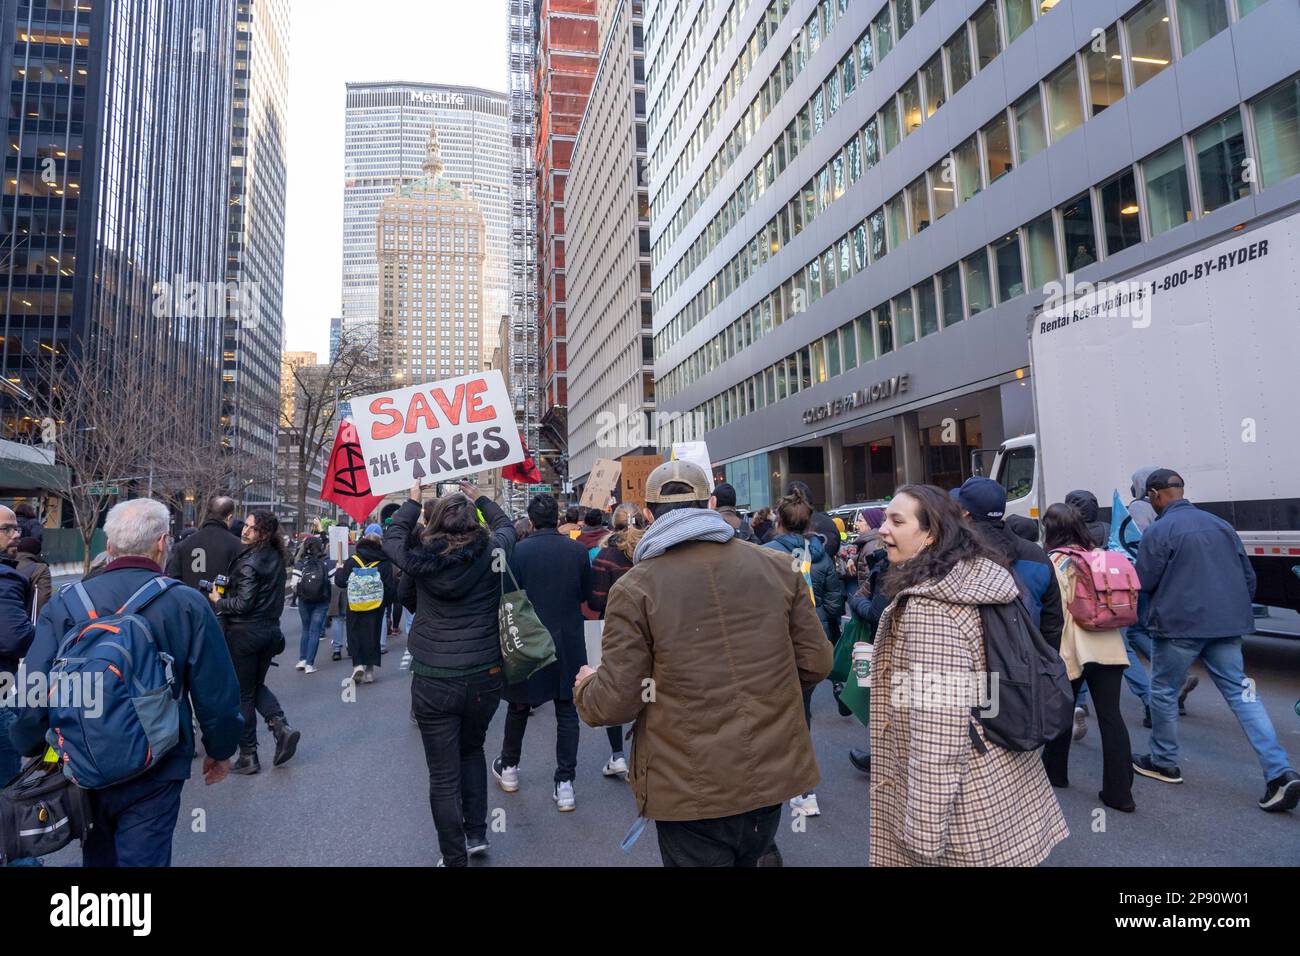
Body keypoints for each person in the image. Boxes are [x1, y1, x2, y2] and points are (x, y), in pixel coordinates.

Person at [574, 460, 832, 867]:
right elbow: (817, 662)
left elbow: (616, 702)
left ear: (646, 513)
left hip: (688, 788)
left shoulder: (636, 588)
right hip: (769, 773)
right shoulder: (778, 568)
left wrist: (586, 684)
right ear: (710, 503)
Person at [10, 498, 242, 867]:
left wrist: (31, 742)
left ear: (109, 544)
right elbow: (216, 691)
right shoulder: (186, 603)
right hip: (158, 760)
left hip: (82, 755)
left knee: (98, 853)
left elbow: (33, 686)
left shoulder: (69, 603)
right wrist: (220, 748)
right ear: (163, 543)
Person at [870, 485, 1068, 865]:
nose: (883, 530)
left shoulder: (930, 609)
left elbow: (938, 730)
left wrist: (923, 836)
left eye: (898, 521)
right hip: (1001, 778)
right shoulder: (974, 576)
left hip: (963, 807)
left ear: (930, 533)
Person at [1131, 469, 1300, 811]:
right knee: (1243, 696)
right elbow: (1247, 578)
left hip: (1179, 627)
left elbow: (1144, 581)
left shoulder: (1159, 530)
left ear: (1154, 495)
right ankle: (1279, 773)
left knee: (1163, 692)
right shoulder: (1222, 526)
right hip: (1226, 625)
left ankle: (1164, 761)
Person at [383, 479, 515, 867]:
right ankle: (476, 834)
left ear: (435, 521)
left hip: (433, 676)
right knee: (473, 750)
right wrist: (482, 498)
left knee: (442, 775)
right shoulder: (492, 551)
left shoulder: (418, 558)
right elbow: (507, 525)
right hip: (484, 672)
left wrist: (409, 503)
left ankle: (453, 857)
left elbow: (393, 541)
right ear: (473, 521)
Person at [492, 494, 594, 812]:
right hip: (567, 639)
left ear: (532, 520)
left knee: (520, 705)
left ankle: (509, 768)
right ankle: (565, 783)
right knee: (567, 710)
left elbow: (509, 597)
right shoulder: (577, 550)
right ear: (558, 518)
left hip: (529, 638)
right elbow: (586, 594)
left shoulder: (517, 552)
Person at [1039, 504, 1135, 812]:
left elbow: (1055, 609)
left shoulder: (1054, 561)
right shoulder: (1098, 556)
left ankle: (1055, 773)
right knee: (1111, 717)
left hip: (1072, 647)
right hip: (1108, 645)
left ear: (1050, 529)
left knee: (1061, 710)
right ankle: (1120, 793)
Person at [763, 488, 842, 817]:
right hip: (813, 639)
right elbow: (837, 601)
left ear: (778, 521)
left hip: (775, 643)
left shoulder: (764, 554)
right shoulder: (822, 554)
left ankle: (769, 784)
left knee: (770, 711)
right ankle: (805, 791)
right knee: (803, 712)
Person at [211, 510, 299, 774]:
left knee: (243, 694)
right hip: (269, 633)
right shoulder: (274, 558)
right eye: (245, 525)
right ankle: (280, 726)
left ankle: (249, 755)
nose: (245, 530)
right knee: (255, 686)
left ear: (264, 534)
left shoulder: (250, 562)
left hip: (245, 635)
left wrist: (218, 600)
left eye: (252, 528)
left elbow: (243, 603)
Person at [950, 476, 1063, 649]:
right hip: (1027, 665)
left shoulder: (951, 555)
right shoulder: (1036, 555)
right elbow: (1052, 623)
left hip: (972, 665)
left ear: (964, 512)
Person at [587, 502, 643, 779]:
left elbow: (596, 600)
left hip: (613, 628)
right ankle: (647, 752)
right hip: (648, 627)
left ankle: (617, 755)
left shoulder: (605, 556)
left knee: (615, 687)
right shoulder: (652, 551)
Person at [845, 507, 887, 771]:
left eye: (896, 521)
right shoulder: (876, 552)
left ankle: (881, 758)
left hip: (880, 638)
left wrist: (857, 601)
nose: (885, 529)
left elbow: (875, 609)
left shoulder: (881, 556)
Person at [0, 505, 36, 787]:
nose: (15, 535)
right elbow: (16, 638)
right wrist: (46, 633)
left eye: (16, 528)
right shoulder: (6, 578)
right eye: (6, 529)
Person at [333, 528, 396, 684]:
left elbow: (340, 582)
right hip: (376, 605)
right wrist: (385, 604)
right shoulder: (384, 562)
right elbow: (390, 587)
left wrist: (339, 568)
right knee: (372, 635)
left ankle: (357, 665)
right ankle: (369, 671)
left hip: (355, 604)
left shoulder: (354, 559)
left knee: (354, 633)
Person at [165, 495, 242, 591]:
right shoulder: (238, 546)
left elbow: (174, 579)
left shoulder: (184, 544)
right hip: (220, 603)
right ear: (229, 517)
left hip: (189, 603)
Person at [293, 536, 332, 674]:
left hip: (304, 601)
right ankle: (310, 664)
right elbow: (333, 582)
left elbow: (294, 584)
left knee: (305, 629)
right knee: (315, 630)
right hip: (321, 601)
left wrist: (302, 593)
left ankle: (302, 659)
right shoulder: (327, 562)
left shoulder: (301, 562)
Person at [786, 480, 840, 561]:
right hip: (825, 570)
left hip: (796, 570)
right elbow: (835, 548)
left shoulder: (787, 524)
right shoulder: (829, 523)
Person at [13, 536, 51, 615]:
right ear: (37, 552)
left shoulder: (6, 564)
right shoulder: (41, 569)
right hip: (26, 618)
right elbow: (43, 598)